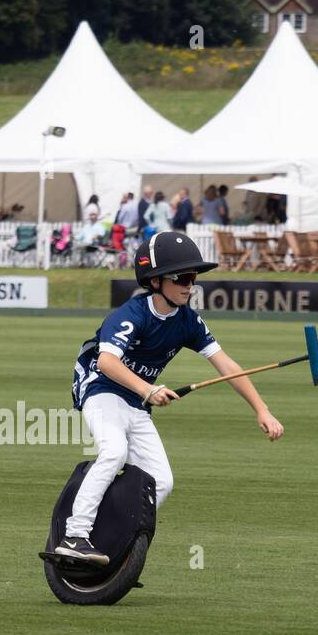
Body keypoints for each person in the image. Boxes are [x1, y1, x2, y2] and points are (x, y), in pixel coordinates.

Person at [57, 232, 284, 564]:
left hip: (135, 403)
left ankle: (114, 543)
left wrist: (262, 410)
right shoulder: (131, 314)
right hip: (100, 389)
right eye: (181, 277)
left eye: (192, 278)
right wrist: (149, 389)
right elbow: (106, 363)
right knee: (114, 452)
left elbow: (227, 366)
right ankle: (75, 535)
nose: (189, 285)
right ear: (155, 280)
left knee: (160, 481)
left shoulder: (188, 321)